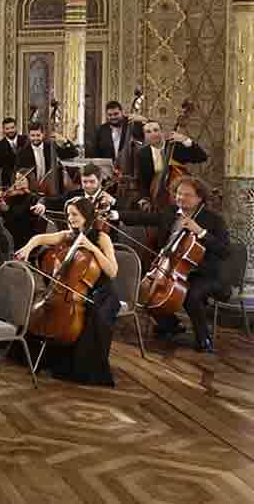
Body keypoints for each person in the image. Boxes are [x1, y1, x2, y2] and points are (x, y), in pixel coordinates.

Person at [15, 196, 120, 385]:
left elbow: (112, 272)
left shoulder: (101, 237)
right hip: (72, 289)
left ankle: (79, 367)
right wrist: (28, 248)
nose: (70, 218)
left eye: (75, 214)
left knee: (95, 315)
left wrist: (92, 248)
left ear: (87, 216)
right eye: (68, 214)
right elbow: (40, 238)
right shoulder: (68, 235)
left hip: (101, 291)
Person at [120, 176, 230, 352]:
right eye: (178, 193)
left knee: (191, 294)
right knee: (146, 291)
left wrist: (201, 232)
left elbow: (225, 251)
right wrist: (117, 215)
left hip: (205, 273)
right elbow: (145, 217)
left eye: (187, 195)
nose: (180, 198)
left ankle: (204, 338)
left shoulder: (214, 220)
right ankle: (171, 325)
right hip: (172, 268)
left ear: (199, 198)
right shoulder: (171, 212)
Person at [134, 119, 207, 209]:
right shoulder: (142, 154)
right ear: (144, 136)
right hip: (156, 197)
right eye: (148, 132)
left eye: (156, 130)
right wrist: (145, 198)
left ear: (162, 132)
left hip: (180, 196)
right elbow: (142, 180)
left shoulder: (175, 146)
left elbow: (202, 157)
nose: (153, 134)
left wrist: (186, 140)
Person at [14, 122, 79, 196]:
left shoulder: (51, 147)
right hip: (32, 192)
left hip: (51, 189)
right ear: (29, 135)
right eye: (33, 135)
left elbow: (73, 154)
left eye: (38, 135)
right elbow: (18, 172)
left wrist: (64, 140)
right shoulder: (22, 153)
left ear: (43, 134)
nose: (35, 138)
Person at [0, 117, 21, 186]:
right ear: (3, 130)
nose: (10, 130)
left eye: (12, 127)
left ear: (16, 128)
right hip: (7, 182)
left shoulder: (25, 140)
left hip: (24, 179)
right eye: (7, 128)